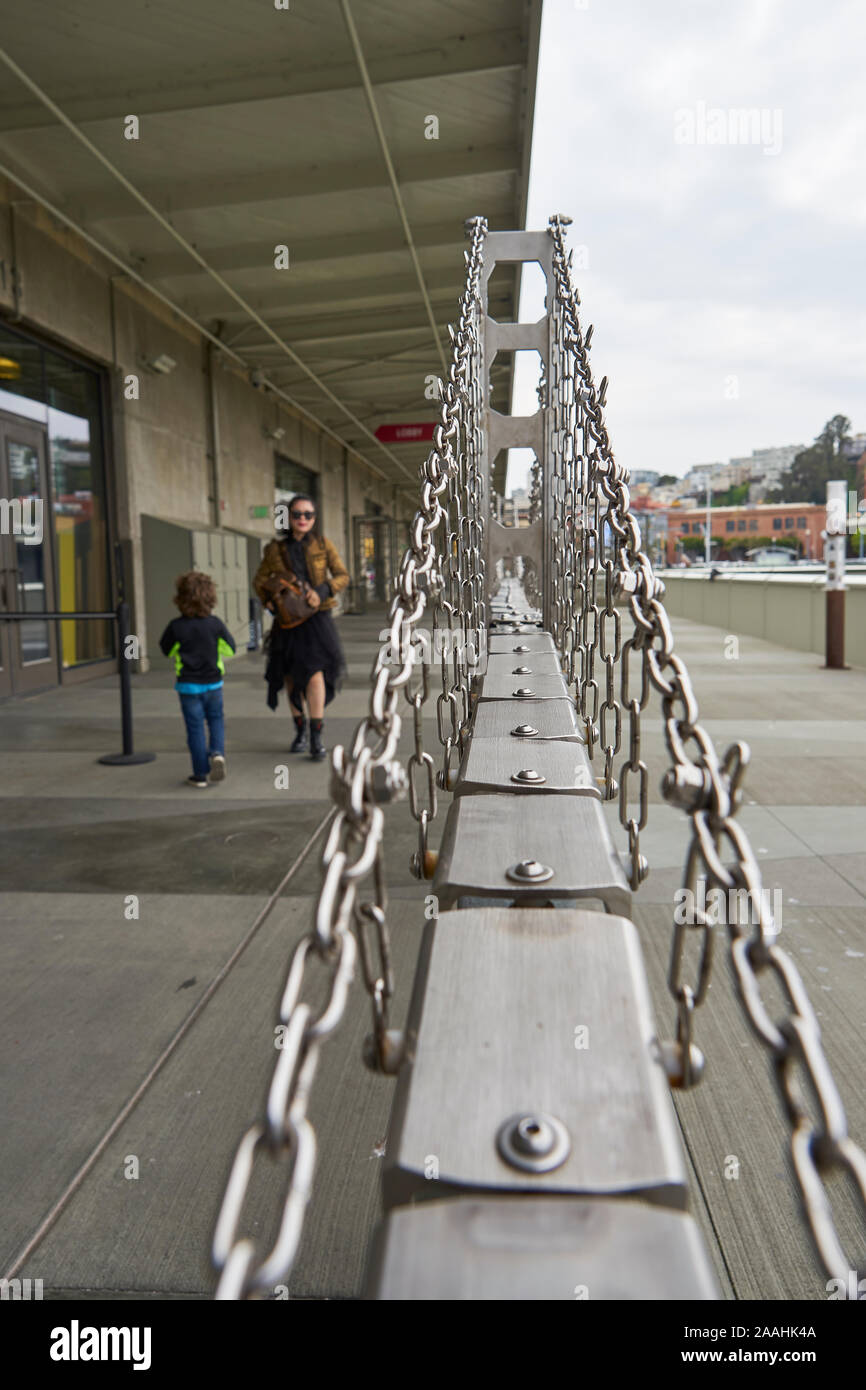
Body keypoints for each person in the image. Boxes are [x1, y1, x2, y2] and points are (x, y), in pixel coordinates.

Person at [253, 495, 348, 761]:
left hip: (317, 619)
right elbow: (259, 581)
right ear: (288, 517)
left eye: (309, 515)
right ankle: (300, 732)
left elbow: (342, 575)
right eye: (297, 514)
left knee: (315, 674)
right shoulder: (273, 549)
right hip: (287, 621)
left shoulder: (322, 544)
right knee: (291, 677)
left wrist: (323, 589)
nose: (303, 519)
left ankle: (316, 736)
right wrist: (269, 603)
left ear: (314, 519)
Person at [159, 571, 237, 787]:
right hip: (214, 685)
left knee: (194, 729)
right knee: (216, 721)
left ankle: (200, 775)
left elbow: (167, 650)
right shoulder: (216, 624)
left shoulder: (176, 626)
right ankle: (218, 753)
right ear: (211, 597)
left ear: (180, 599)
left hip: (188, 687)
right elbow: (230, 649)